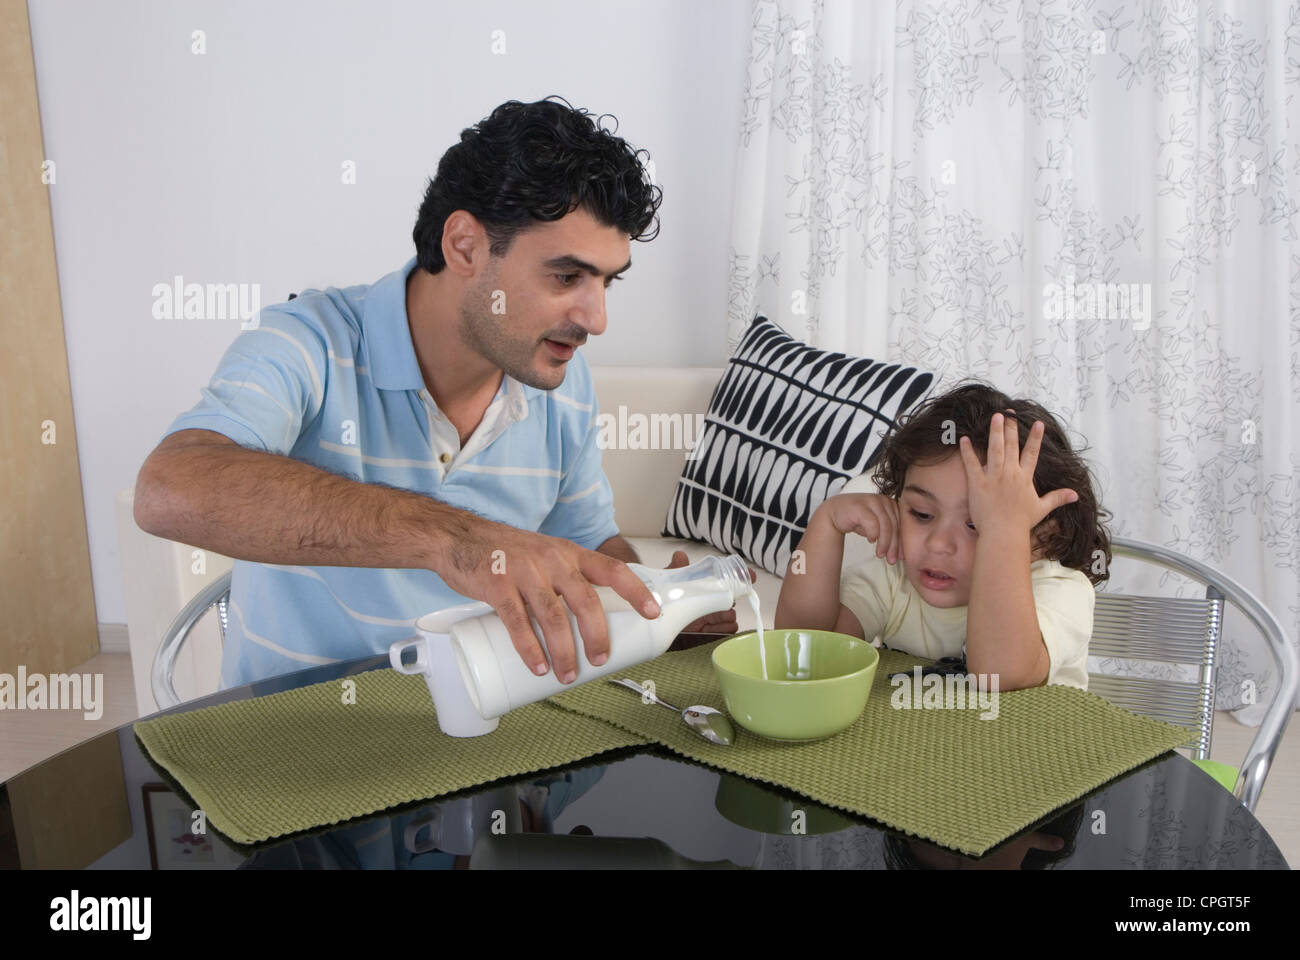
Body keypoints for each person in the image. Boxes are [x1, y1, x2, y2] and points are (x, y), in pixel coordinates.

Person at [134, 96, 739, 690]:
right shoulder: (308, 343)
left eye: (607, 282)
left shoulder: (559, 378)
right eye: (566, 276)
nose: (596, 318)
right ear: (465, 246)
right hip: (300, 747)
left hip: (490, 738)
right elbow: (170, 487)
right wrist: (457, 541)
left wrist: (659, 608)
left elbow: (586, 544)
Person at [774, 381, 1111, 691]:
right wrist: (825, 524)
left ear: (1045, 539)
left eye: (976, 525)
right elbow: (808, 657)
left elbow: (1001, 675)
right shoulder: (894, 581)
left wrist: (1001, 532)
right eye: (921, 514)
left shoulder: (1061, 591)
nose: (937, 543)